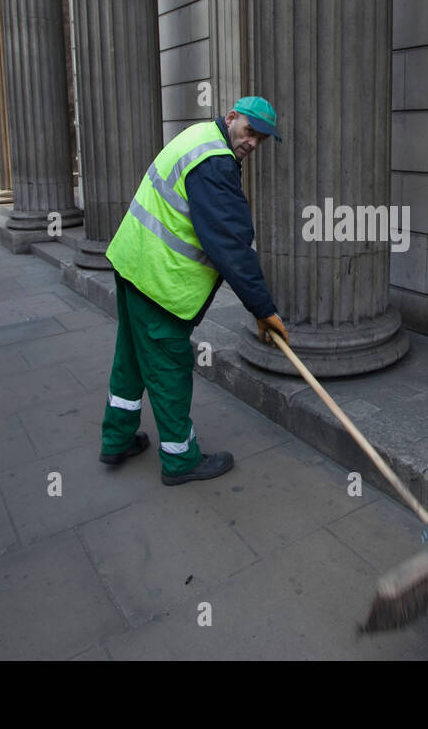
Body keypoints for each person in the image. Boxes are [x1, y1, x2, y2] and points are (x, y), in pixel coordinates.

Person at [100, 96, 289, 484]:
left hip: (133, 263)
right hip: (159, 283)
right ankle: (181, 459)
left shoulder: (200, 136)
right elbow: (230, 245)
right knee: (170, 368)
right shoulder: (216, 163)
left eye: (262, 139)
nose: (253, 143)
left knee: (132, 358)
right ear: (231, 117)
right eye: (250, 131)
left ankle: (117, 438)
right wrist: (263, 309)